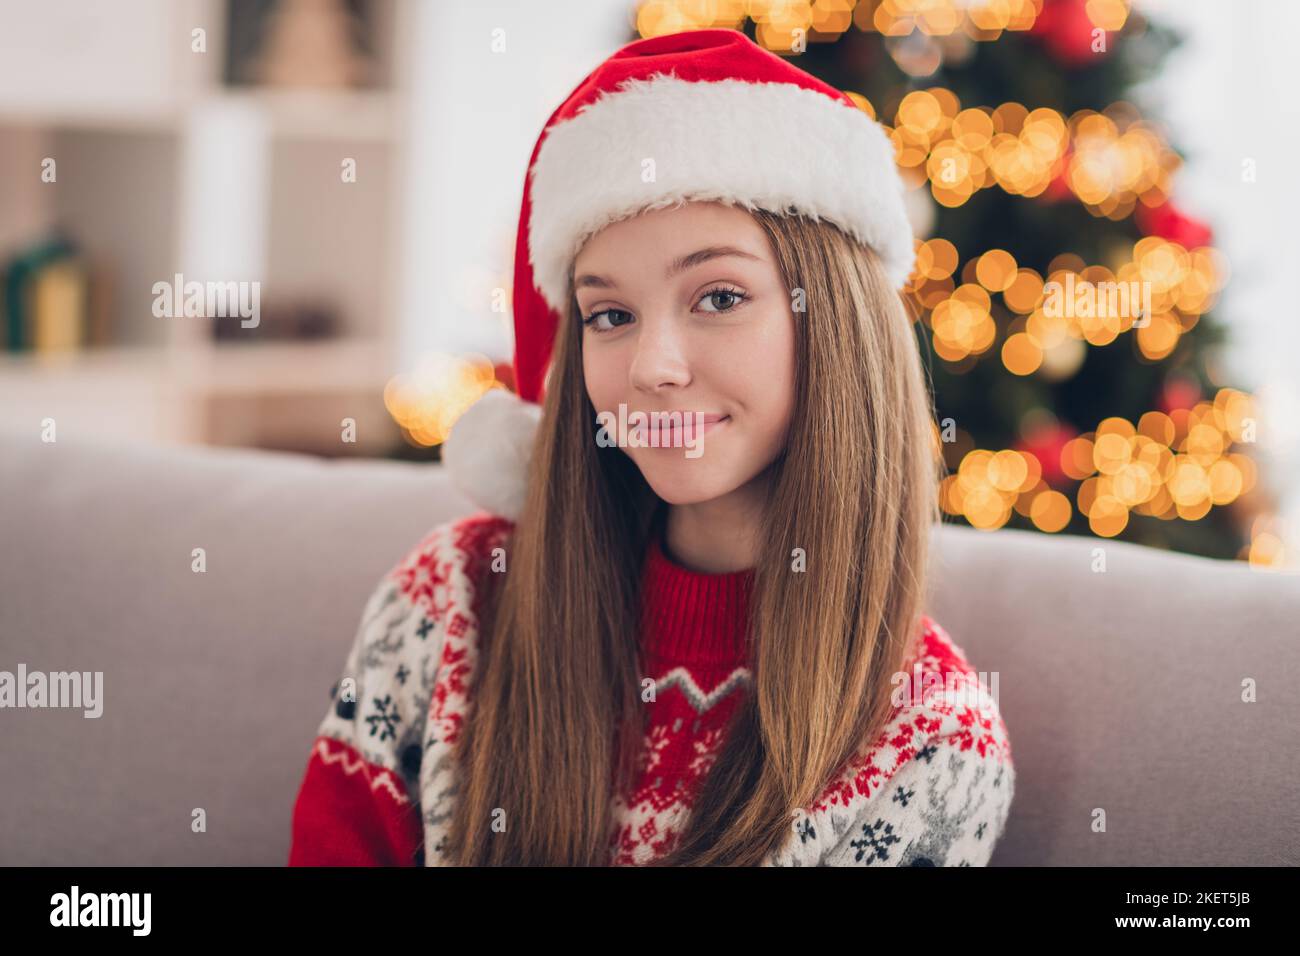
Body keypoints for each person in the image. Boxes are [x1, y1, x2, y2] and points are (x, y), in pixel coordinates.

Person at [288, 26, 1014, 867]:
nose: (651, 368)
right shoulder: (447, 605)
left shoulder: (933, 741)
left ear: (838, 325)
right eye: (610, 315)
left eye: (717, 296)